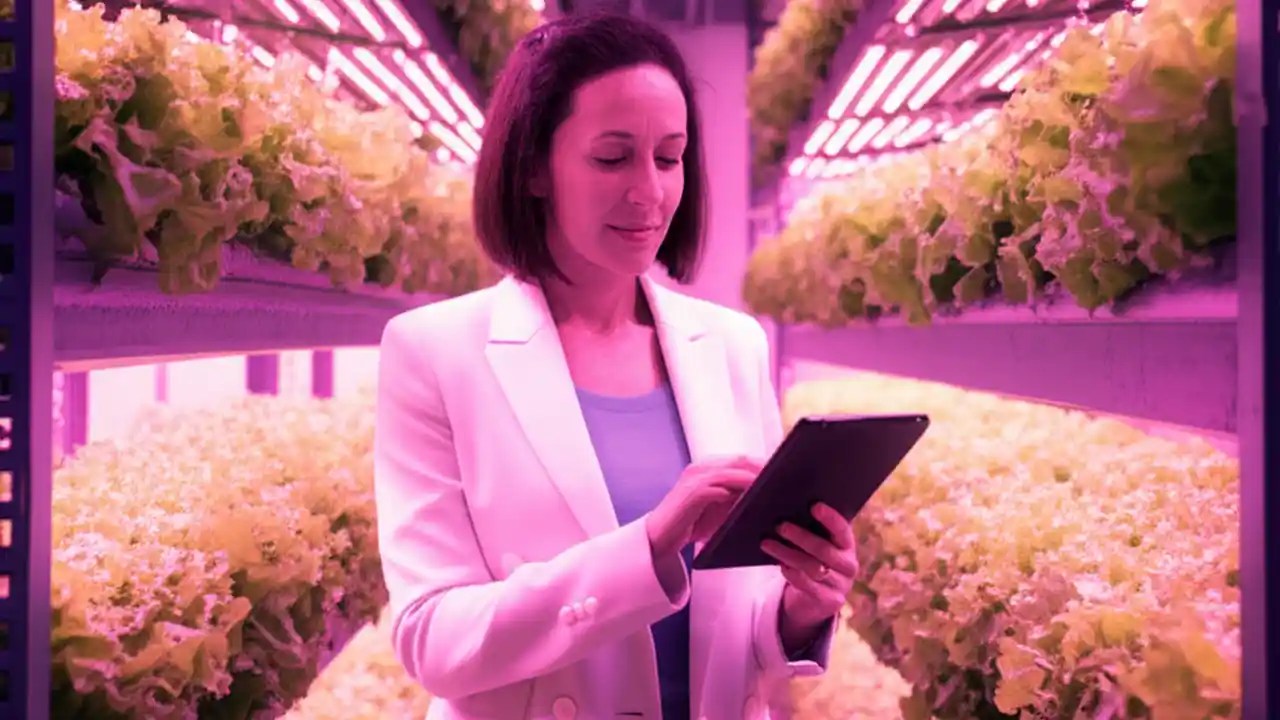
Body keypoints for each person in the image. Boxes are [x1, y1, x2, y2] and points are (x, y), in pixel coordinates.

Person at [373, 11, 859, 720]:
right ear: (534, 168)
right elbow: (434, 641)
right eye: (612, 158)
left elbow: (740, 628)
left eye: (669, 158)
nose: (649, 192)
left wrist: (800, 609)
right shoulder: (434, 352)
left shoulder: (733, 345)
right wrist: (649, 547)